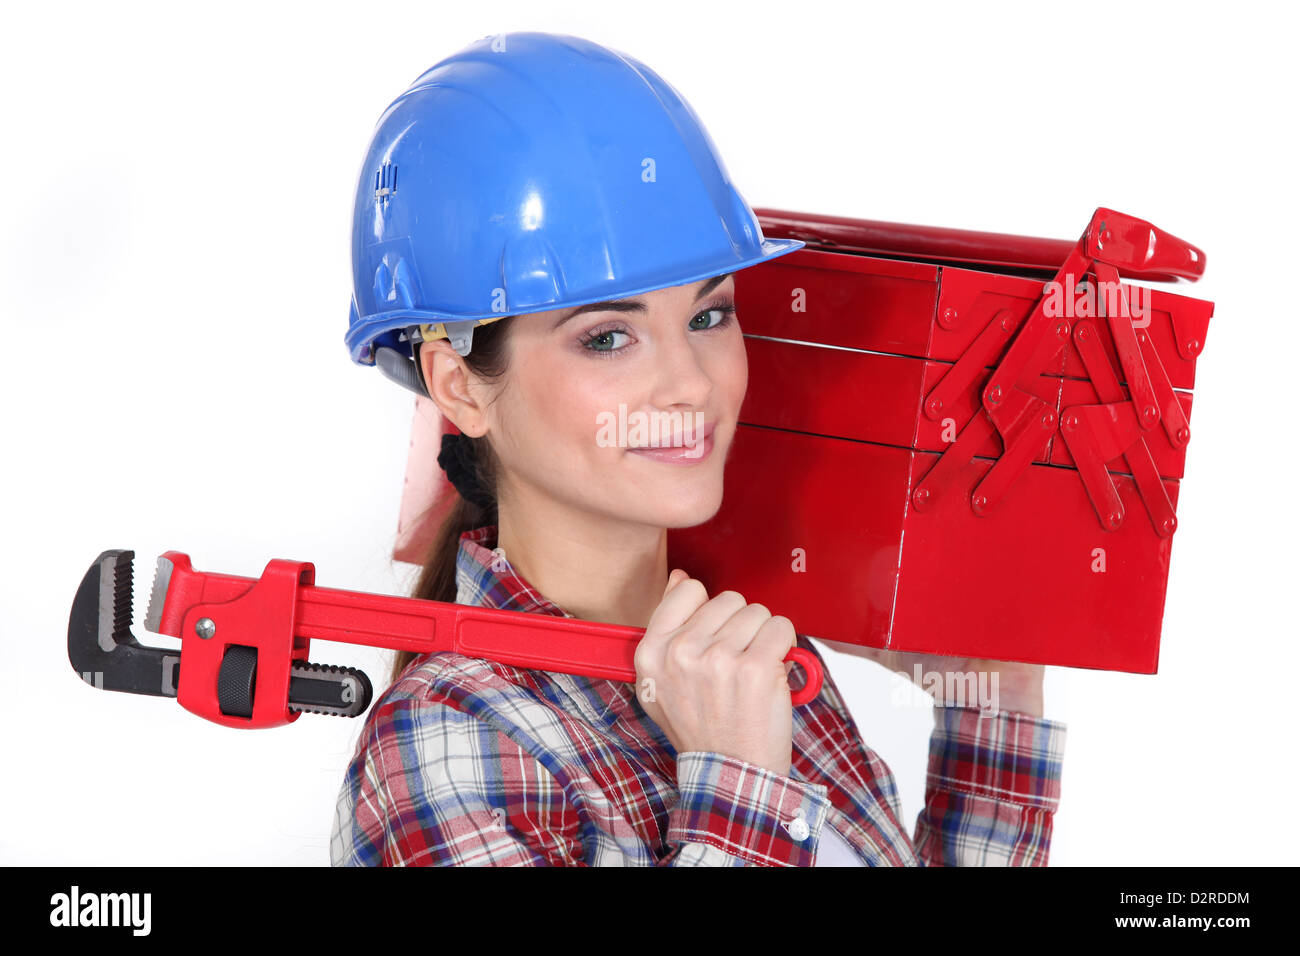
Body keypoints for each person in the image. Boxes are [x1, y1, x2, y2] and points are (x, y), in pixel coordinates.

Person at [330, 31, 1066, 866]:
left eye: (709, 316)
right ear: (460, 386)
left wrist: (993, 701)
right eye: (607, 337)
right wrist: (740, 780)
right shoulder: (447, 742)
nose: (690, 384)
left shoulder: (754, 656)